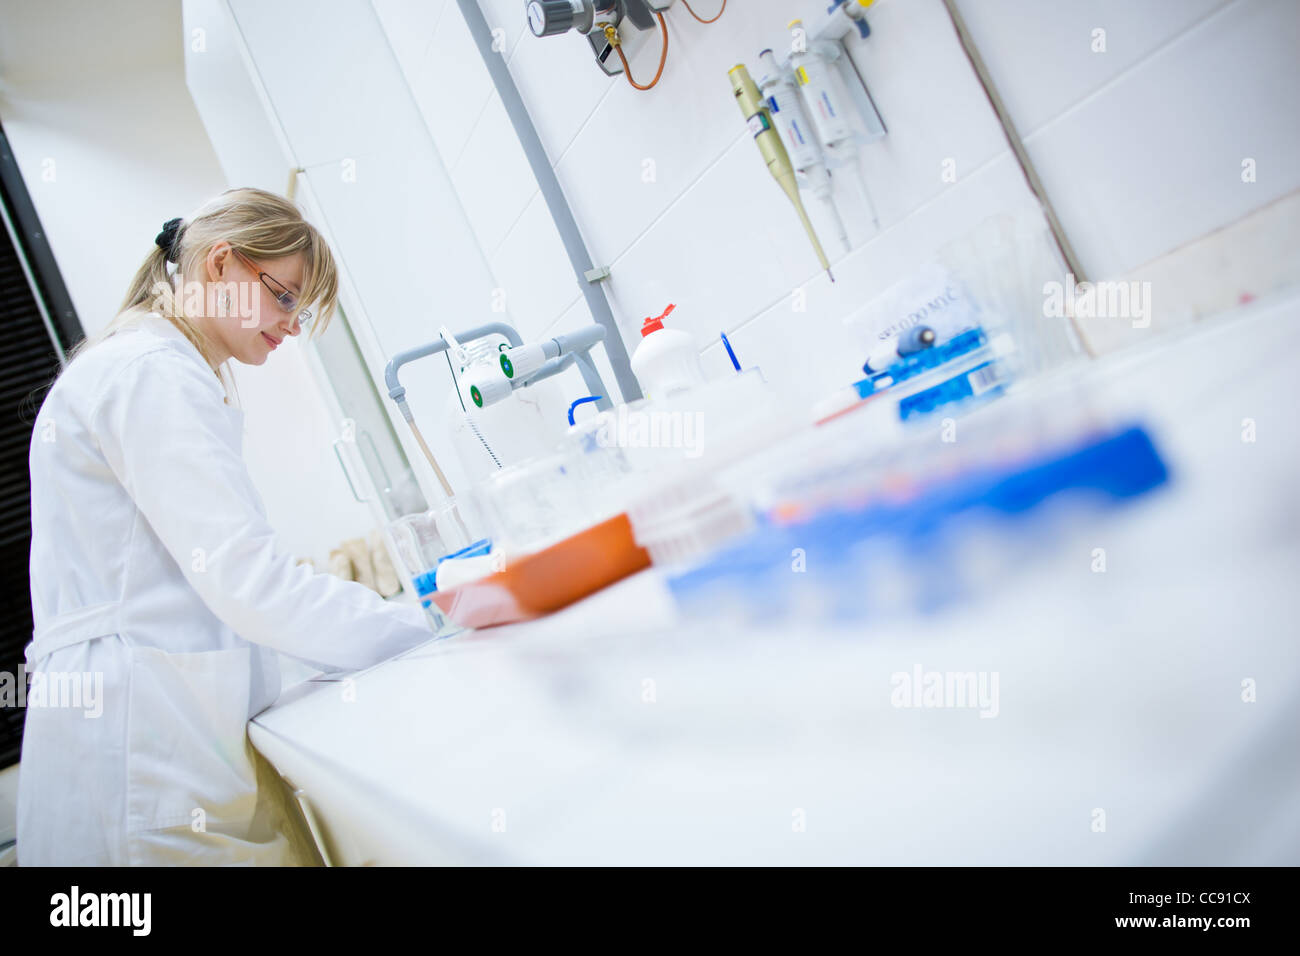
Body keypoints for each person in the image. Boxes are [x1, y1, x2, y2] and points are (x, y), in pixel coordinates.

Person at [18, 187, 433, 865]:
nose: (292, 324)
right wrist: (430, 629)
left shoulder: (152, 369)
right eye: (286, 296)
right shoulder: (150, 373)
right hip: (140, 753)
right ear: (221, 265)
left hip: (154, 739)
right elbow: (249, 584)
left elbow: (218, 589)